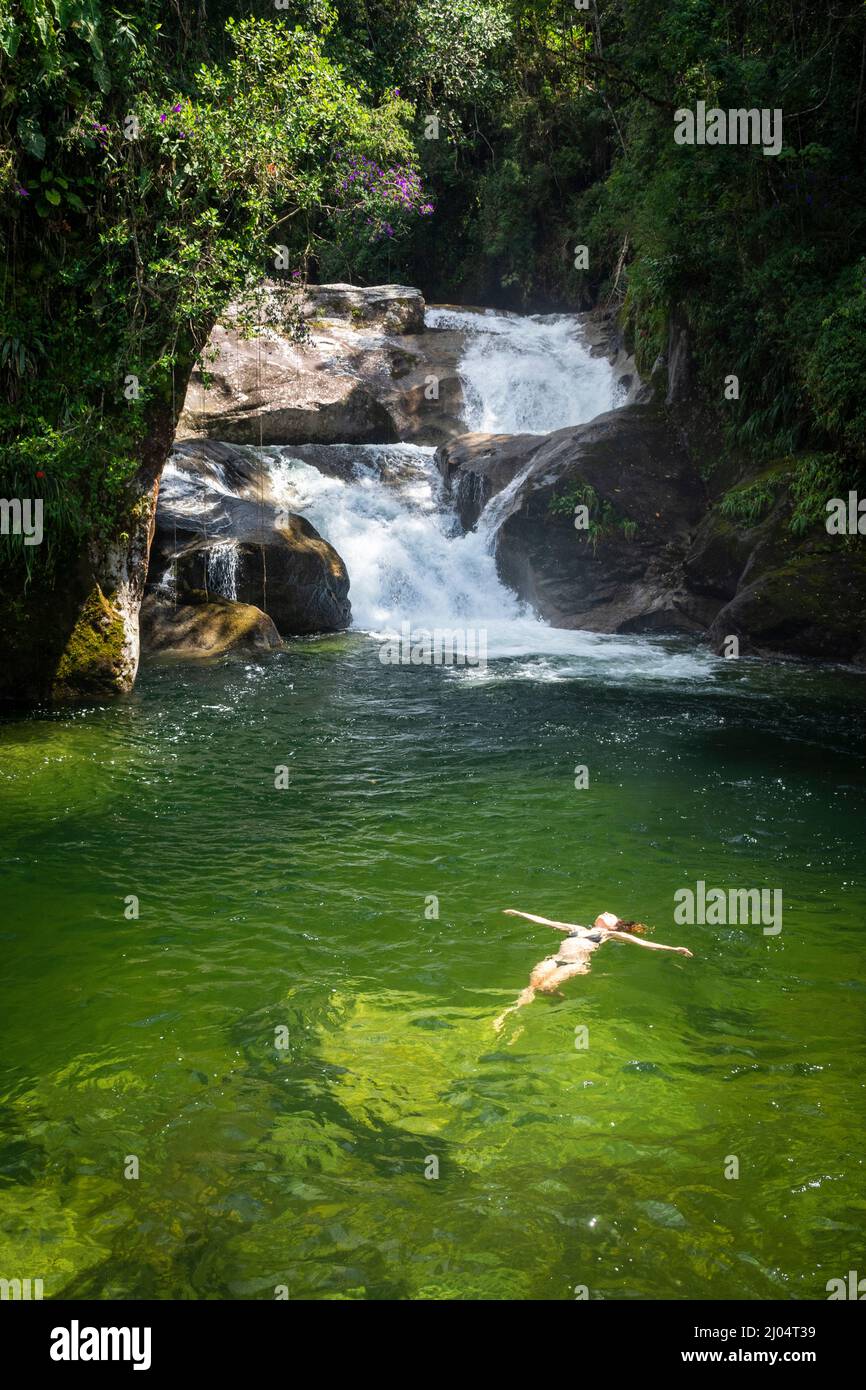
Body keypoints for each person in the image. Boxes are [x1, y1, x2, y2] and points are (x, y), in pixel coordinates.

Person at [493, 909, 693, 1032]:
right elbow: (545, 921)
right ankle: (507, 1014)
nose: (605, 912)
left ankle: (560, 1000)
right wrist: (519, 913)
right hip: (555, 960)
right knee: (532, 986)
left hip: (576, 965)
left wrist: (674, 949)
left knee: (545, 986)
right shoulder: (575, 927)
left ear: (614, 925)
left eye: (610, 915)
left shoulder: (608, 934)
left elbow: (642, 943)